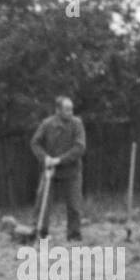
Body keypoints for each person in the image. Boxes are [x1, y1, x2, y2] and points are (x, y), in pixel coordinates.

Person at [29, 96, 86, 241]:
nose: (70, 112)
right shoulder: (47, 124)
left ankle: (74, 234)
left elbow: (80, 148)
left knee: (74, 204)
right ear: (58, 110)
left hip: (71, 171)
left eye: (71, 109)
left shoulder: (77, 124)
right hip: (50, 171)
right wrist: (45, 158)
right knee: (43, 202)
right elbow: (35, 143)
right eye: (67, 109)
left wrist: (59, 160)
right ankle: (40, 231)